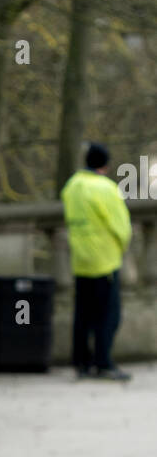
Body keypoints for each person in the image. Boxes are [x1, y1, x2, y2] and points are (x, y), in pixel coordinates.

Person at [60, 142, 132, 380]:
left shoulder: (72, 187)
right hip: (104, 261)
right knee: (108, 316)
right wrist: (121, 247)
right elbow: (121, 226)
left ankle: (81, 362)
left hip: (81, 260)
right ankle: (103, 362)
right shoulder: (106, 189)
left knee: (82, 314)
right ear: (105, 165)